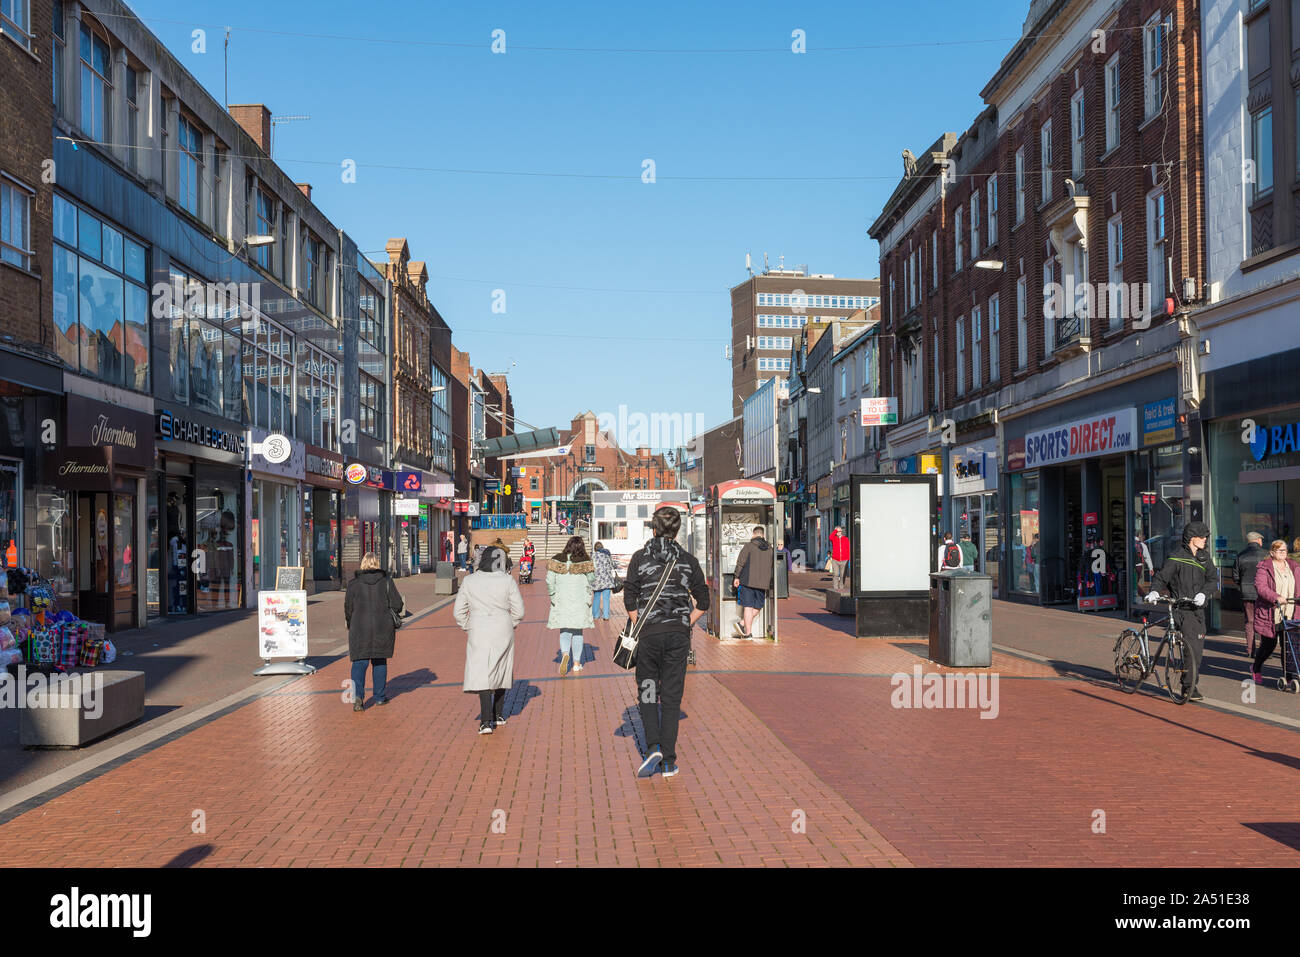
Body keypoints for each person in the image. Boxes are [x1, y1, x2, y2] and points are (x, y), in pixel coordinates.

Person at [625, 506, 709, 779]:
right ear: (677, 530)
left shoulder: (640, 559)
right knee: (671, 698)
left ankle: (653, 748)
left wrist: (641, 623)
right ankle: (669, 762)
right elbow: (704, 602)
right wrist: (686, 622)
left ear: (653, 528)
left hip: (649, 636)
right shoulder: (688, 561)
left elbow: (629, 598)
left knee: (648, 692)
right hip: (677, 638)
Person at [454, 544, 525, 733]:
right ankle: (498, 714)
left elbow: (459, 611)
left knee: (482, 671)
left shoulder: (470, 581)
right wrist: (512, 622)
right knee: (501, 667)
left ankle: (485, 721)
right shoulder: (507, 580)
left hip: (479, 627)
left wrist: (467, 625)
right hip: (503, 626)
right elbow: (519, 610)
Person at [1146, 521, 1216, 701]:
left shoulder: (1204, 558)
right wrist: (1154, 590)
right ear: (1192, 538)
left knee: (1197, 650)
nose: (1205, 540)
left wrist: (1204, 593)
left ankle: (1189, 683)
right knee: (1191, 648)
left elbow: (1212, 579)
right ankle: (1189, 688)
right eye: (1202, 537)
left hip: (1198, 609)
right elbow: (1161, 578)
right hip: (1181, 609)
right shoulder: (1176, 557)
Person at [344, 551, 405, 712]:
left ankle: (358, 697)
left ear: (363, 564)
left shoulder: (353, 584)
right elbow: (398, 604)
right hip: (382, 627)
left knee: (359, 662)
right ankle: (379, 697)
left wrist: (351, 623)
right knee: (379, 661)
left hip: (359, 627)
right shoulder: (386, 581)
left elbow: (348, 608)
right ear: (377, 564)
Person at [1251, 540, 1299, 685]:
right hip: (1272, 612)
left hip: (1290, 611)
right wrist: (1275, 597)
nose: (1282, 553)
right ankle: (1256, 668)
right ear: (1272, 553)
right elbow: (1260, 587)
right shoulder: (1264, 567)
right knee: (1268, 645)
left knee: (1289, 646)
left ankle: (1289, 677)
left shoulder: (1294, 566)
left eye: (1284, 550)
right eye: (1279, 550)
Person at [547, 535, 595, 675]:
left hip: (561, 600)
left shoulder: (557, 560)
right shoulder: (585, 562)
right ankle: (576, 664)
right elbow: (592, 579)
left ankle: (565, 653)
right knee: (578, 632)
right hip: (580, 601)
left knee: (565, 630)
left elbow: (549, 580)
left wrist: (553, 595)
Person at [732, 525, 773, 639]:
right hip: (763, 582)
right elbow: (771, 564)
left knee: (748, 607)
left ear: (754, 534)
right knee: (758, 607)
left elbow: (741, 562)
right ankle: (743, 626)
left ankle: (746, 630)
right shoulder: (770, 548)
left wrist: (736, 576)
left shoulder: (749, 546)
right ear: (763, 535)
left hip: (747, 581)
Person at [1235, 532, 1270, 657]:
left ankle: (1250, 650)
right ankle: (1265, 649)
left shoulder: (1240, 555)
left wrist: (1243, 586)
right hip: (1263, 593)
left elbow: (1236, 576)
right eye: (1261, 539)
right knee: (1264, 620)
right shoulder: (1266, 554)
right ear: (1258, 540)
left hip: (1246, 593)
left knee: (1249, 622)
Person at [591, 541, 615, 621]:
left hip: (597, 581)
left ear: (595, 548)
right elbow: (613, 565)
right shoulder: (607, 554)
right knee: (606, 598)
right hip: (607, 580)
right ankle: (606, 616)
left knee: (596, 597)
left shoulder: (593, 556)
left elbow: (591, 567)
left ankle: (596, 615)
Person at [828, 526, 851, 593]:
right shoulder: (834, 538)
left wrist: (849, 558)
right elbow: (830, 537)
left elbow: (848, 548)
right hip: (835, 559)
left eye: (840, 531)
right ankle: (835, 588)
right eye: (837, 531)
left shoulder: (845, 539)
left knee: (842, 575)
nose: (839, 532)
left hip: (844, 560)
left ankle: (841, 587)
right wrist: (835, 531)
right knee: (835, 574)